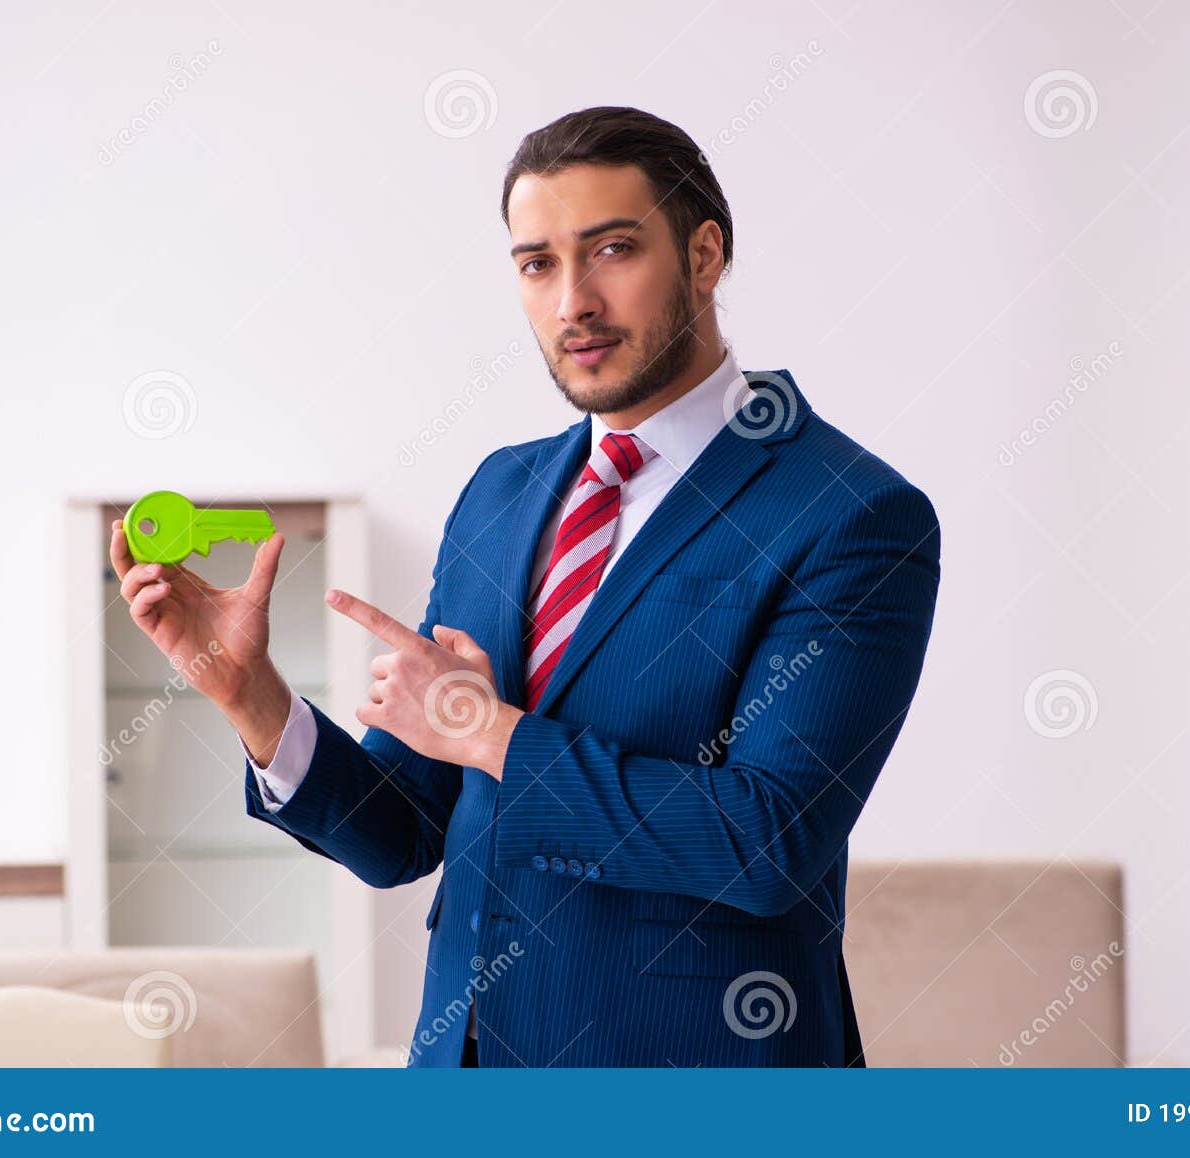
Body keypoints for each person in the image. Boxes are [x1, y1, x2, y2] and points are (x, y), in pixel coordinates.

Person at [111, 105, 942, 1068]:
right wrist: (251, 696)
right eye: (538, 264)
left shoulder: (850, 512)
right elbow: (403, 832)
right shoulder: (500, 493)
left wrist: (487, 731)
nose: (572, 303)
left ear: (706, 256)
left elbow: (767, 843)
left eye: (613, 250)